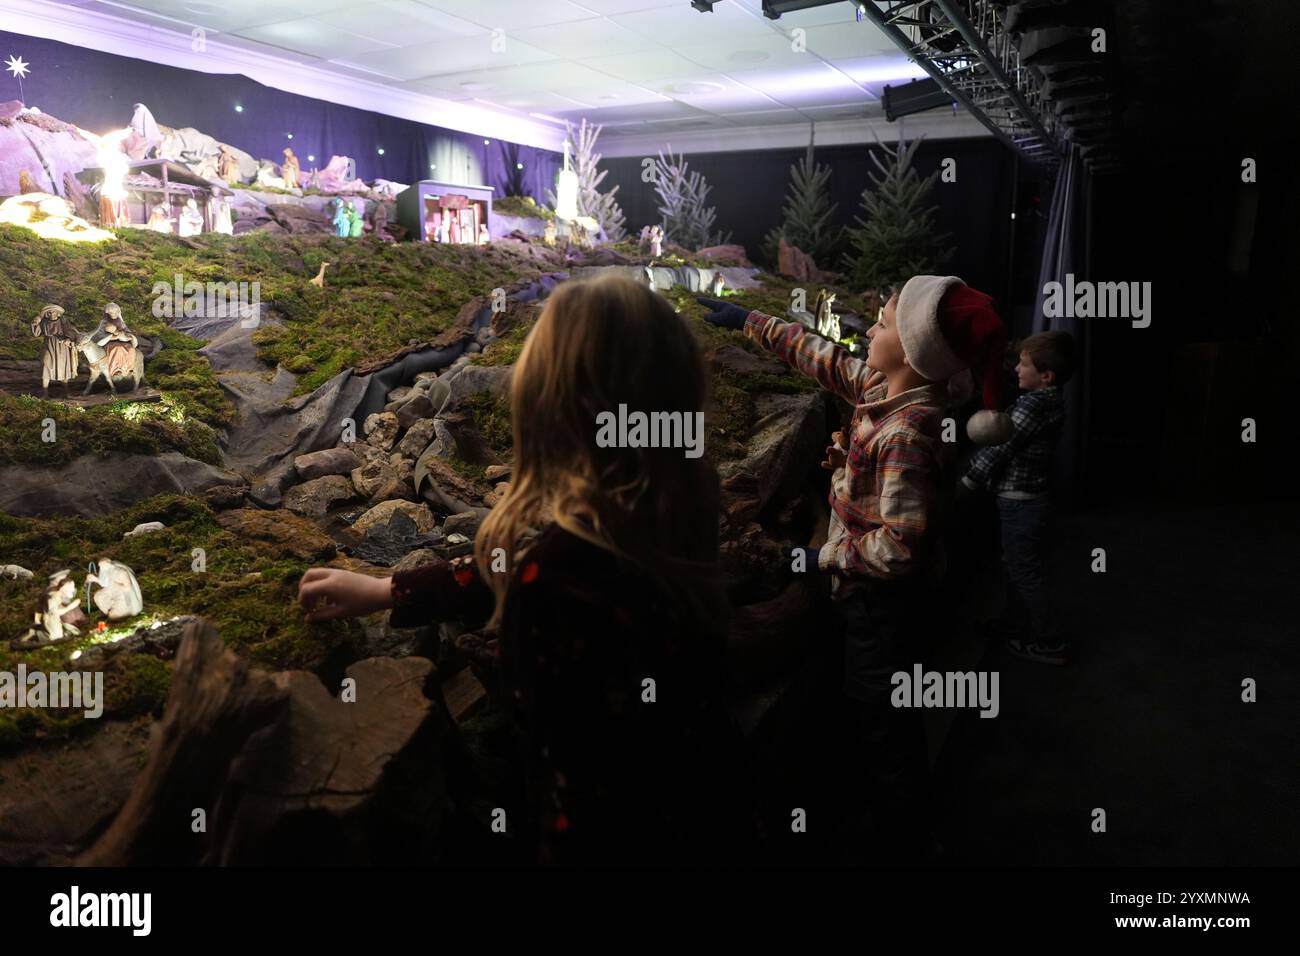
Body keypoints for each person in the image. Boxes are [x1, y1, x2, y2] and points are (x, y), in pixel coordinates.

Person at [298, 276, 753, 865]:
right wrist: (390, 588)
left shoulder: (564, 576)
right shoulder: (673, 506)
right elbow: (514, 567)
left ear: (556, 408)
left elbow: (581, 790)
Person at [699, 275, 1008, 862]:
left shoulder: (908, 435)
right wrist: (749, 321)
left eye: (884, 323)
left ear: (918, 353)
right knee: (870, 712)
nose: (869, 329)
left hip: (882, 610)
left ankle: (906, 838)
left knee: (885, 725)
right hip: (862, 599)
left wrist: (820, 557)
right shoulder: (881, 384)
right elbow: (827, 361)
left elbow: (899, 548)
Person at [961, 330, 1076, 665]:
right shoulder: (1046, 400)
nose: (1016, 370)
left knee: (1024, 571)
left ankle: (1049, 641)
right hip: (1024, 501)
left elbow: (1000, 447)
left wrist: (966, 483)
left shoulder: (1034, 406)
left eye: (1023, 365)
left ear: (1046, 376)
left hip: (1021, 504)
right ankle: (1016, 624)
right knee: (1015, 566)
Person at [93, 304, 139, 381]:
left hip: (121, 341)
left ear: (118, 312)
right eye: (111, 313)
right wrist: (112, 337)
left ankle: (129, 369)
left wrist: (126, 336)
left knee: (131, 349)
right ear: (107, 314)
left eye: (115, 313)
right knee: (117, 349)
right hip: (109, 343)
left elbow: (127, 331)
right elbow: (100, 335)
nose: (113, 315)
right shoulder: (103, 323)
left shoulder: (120, 321)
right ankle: (116, 370)